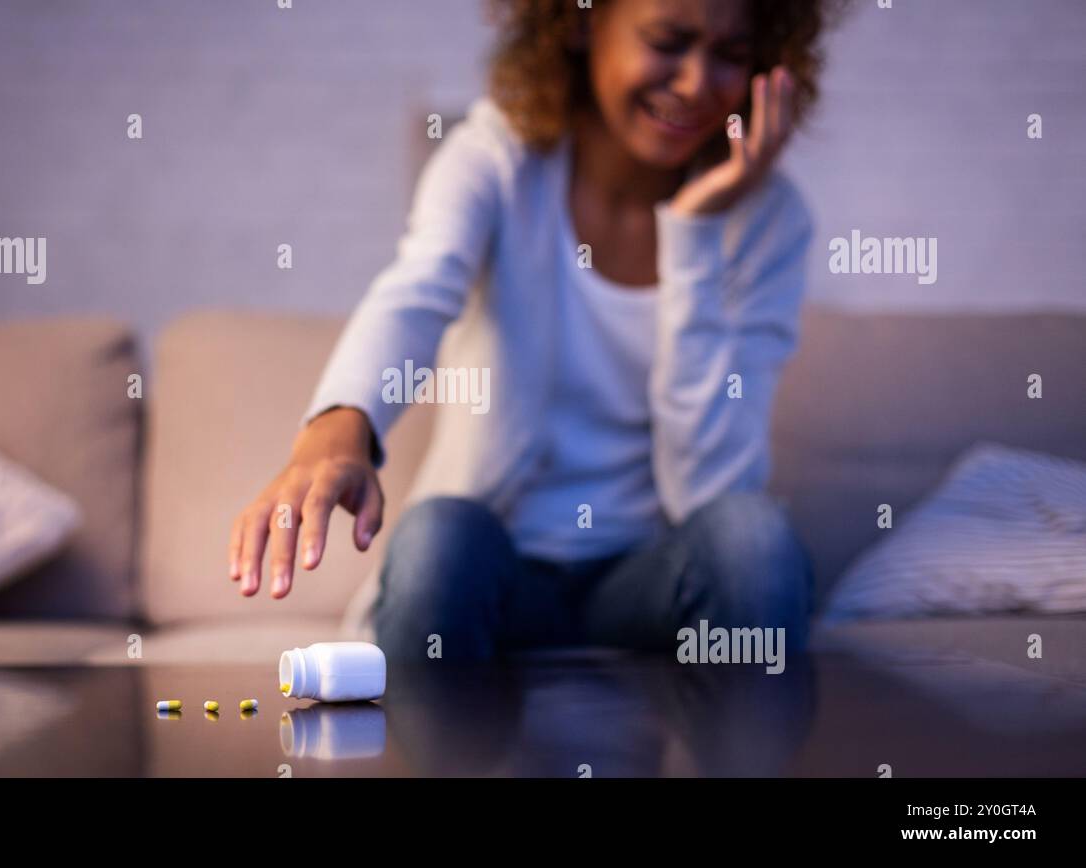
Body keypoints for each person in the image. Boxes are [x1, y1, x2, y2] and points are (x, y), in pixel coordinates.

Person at [229, 0, 840, 663]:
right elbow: (418, 289)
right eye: (669, 41)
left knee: (754, 540)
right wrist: (334, 432)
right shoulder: (497, 157)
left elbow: (713, 494)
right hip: (500, 571)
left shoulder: (770, 223)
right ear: (579, 22)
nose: (697, 83)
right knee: (438, 537)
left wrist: (693, 232)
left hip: (650, 583)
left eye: (730, 55)